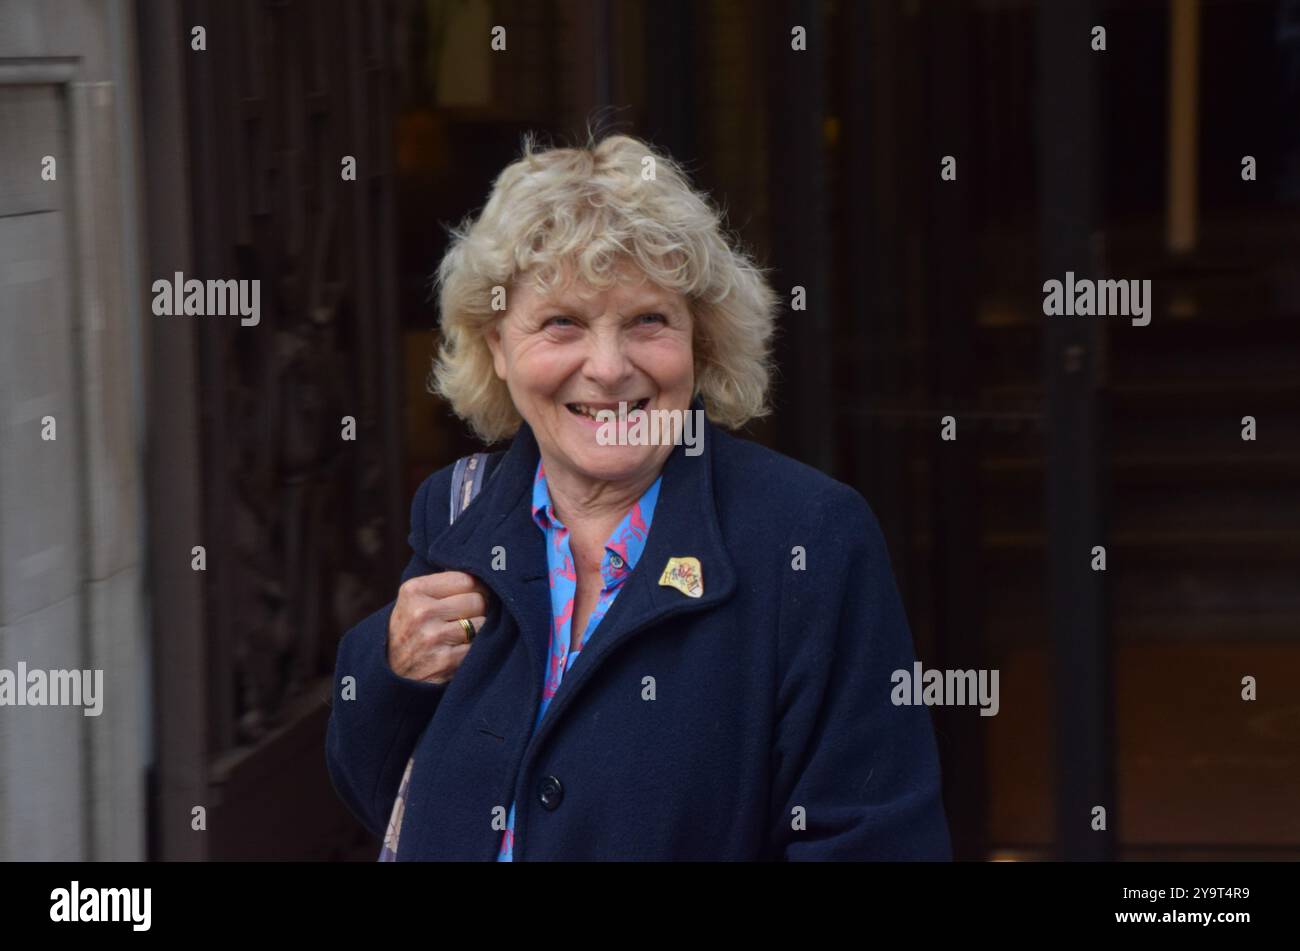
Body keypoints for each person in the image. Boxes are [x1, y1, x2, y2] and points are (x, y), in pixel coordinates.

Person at [325, 131, 951, 860]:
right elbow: (372, 786)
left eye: (647, 320)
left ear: (702, 339)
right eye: (562, 322)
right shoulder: (458, 509)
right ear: (496, 343)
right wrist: (391, 668)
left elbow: (873, 841)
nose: (608, 367)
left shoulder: (807, 538)